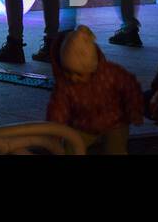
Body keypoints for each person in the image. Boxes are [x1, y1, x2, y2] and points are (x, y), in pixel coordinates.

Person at [46, 26, 145, 154]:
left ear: (92, 68)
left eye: (79, 74)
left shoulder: (111, 75)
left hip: (114, 123)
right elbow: (58, 108)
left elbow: (130, 89)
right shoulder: (66, 84)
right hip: (84, 125)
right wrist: (54, 132)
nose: (74, 78)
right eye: (68, 72)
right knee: (71, 147)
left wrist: (134, 109)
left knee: (115, 149)